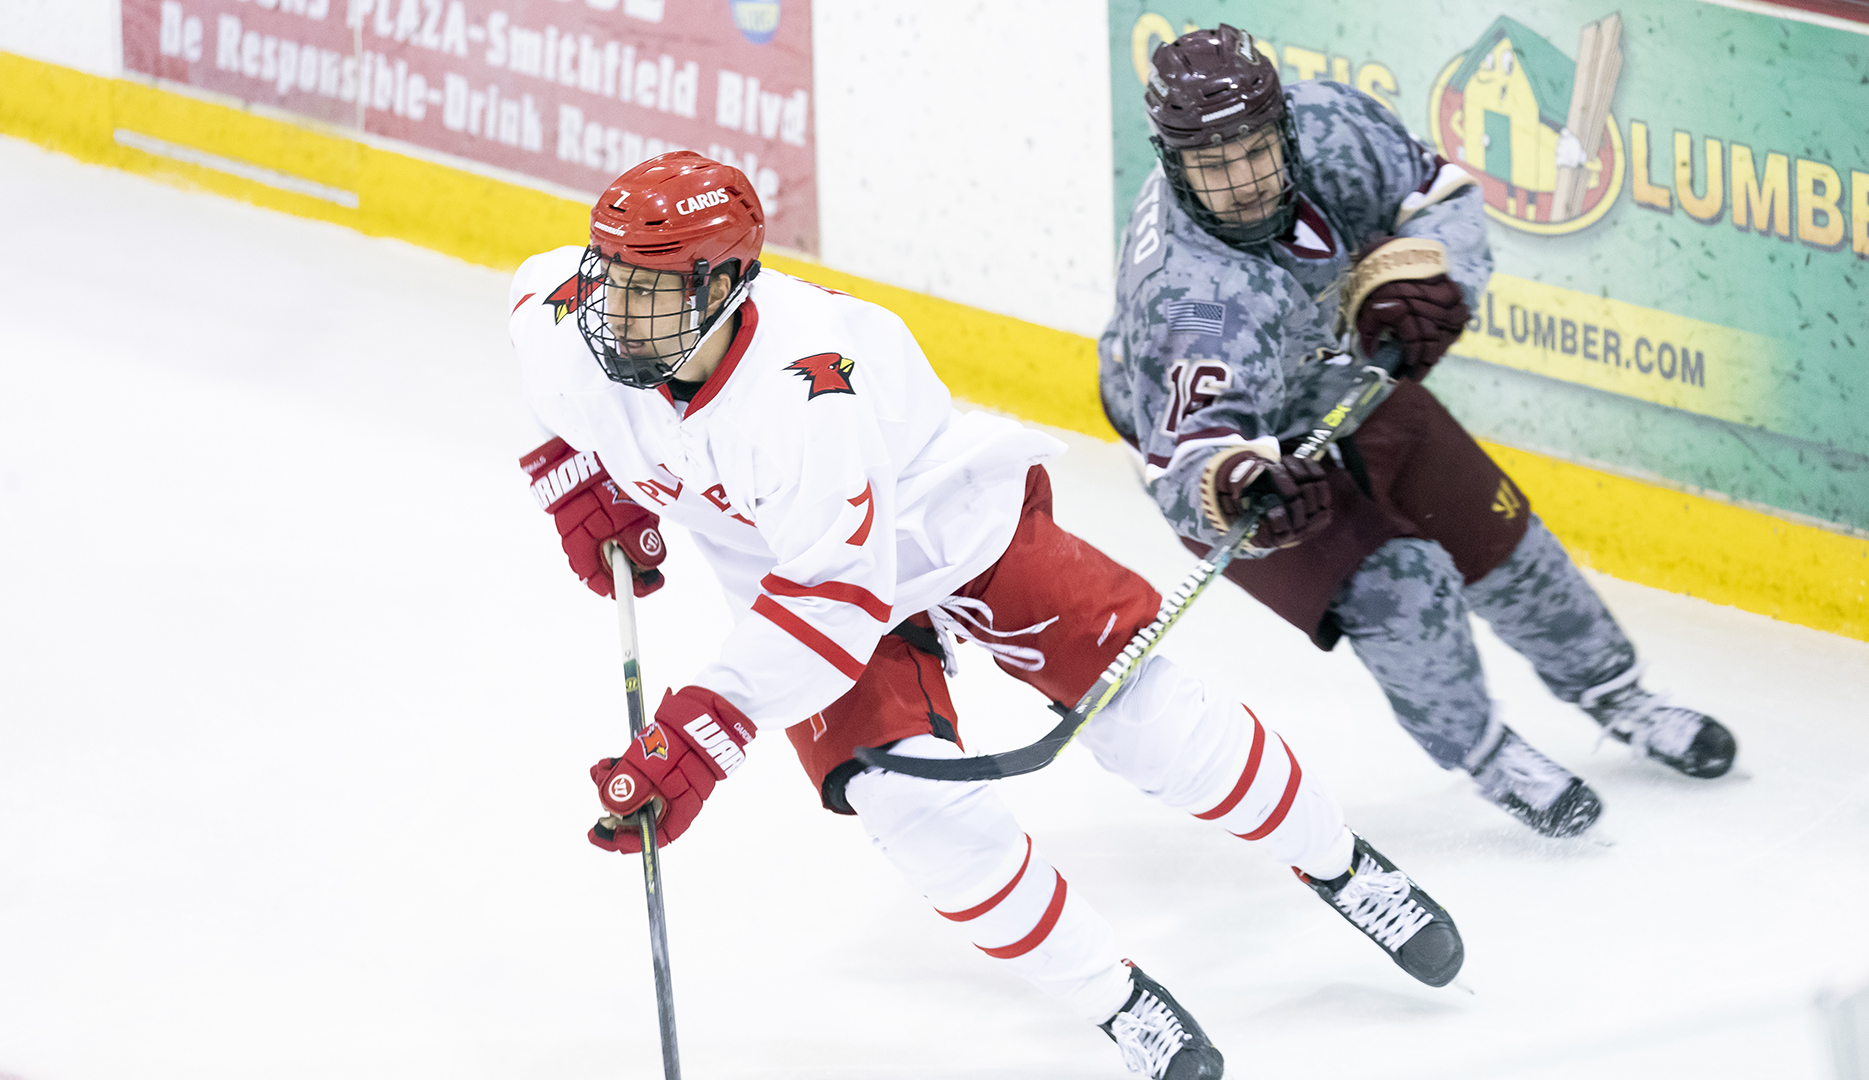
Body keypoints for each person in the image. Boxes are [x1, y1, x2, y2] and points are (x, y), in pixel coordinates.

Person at [509, 151, 1463, 1080]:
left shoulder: (804, 393)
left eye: (651, 290)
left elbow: (836, 602)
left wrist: (701, 729)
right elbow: (540, 350)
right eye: (612, 279)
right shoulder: (568, 318)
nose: (616, 313)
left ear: (724, 287)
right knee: (914, 813)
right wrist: (575, 478)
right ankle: (1117, 1000)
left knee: (1146, 715)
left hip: (946, 530)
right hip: (802, 576)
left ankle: (1341, 865)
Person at [1098, 26, 1737, 840]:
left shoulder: (1332, 125)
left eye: (1256, 151)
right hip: (1242, 445)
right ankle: (1488, 756)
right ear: (1174, 163)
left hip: (1343, 380)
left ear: (1283, 126)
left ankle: (1620, 695)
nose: (1245, 181)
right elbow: (1187, 457)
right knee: (1401, 588)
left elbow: (1442, 198)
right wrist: (1236, 488)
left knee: (1500, 539)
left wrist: (1428, 276)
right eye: (1214, 166)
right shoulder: (1187, 298)